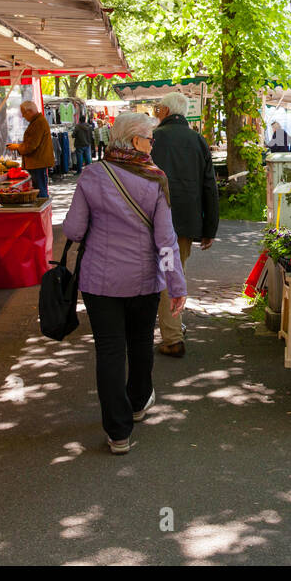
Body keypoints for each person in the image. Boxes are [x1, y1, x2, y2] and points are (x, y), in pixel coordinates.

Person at [62, 112, 186, 454]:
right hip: (144, 280)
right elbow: (165, 240)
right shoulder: (155, 180)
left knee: (110, 351)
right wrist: (175, 284)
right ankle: (138, 402)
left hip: (99, 283)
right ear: (135, 141)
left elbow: (73, 230)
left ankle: (118, 432)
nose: (152, 144)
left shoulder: (92, 175)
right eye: (149, 138)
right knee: (141, 342)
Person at [150, 92, 219, 358]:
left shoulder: (152, 139)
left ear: (165, 110)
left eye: (158, 108)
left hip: (152, 219)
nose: (156, 112)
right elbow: (209, 187)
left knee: (159, 276)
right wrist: (209, 228)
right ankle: (174, 326)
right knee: (174, 272)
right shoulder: (197, 140)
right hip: (186, 222)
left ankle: (173, 336)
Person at [7, 101, 54, 198]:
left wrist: (17, 147)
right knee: (40, 189)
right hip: (37, 163)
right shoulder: (38, 121)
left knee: (40, 191)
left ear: (30, 111)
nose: (23, 116)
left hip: (38, 163)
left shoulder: (38, 123)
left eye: (24, 113)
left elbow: (31, 146)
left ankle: (43, 211)